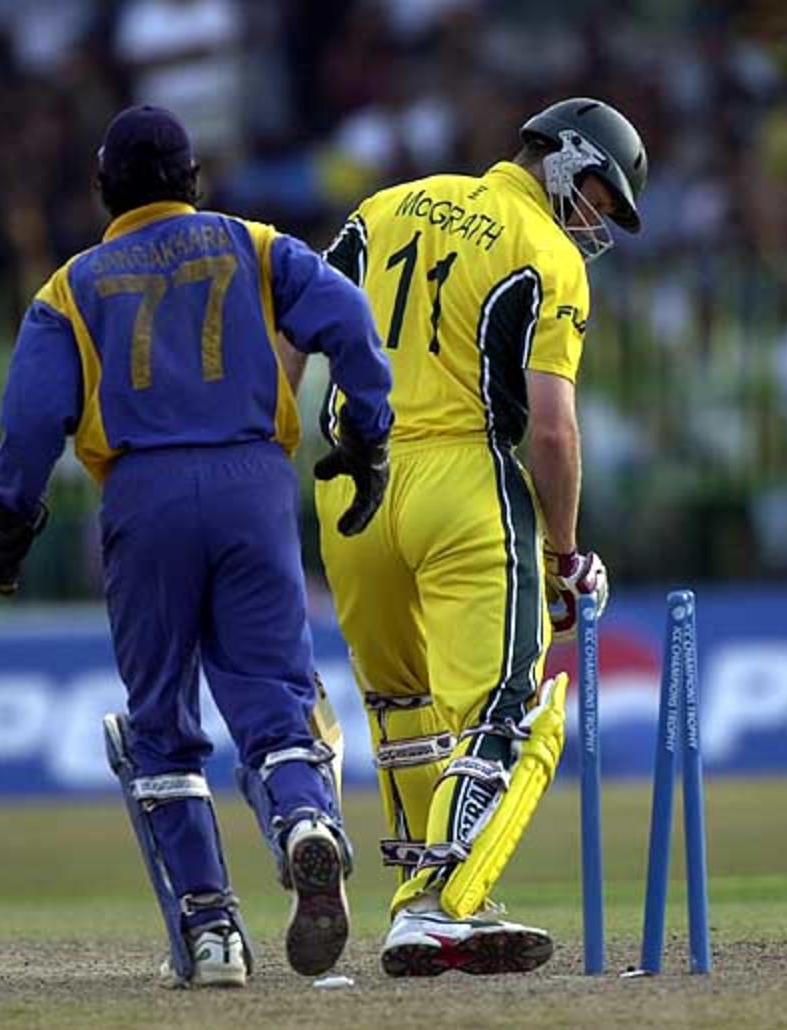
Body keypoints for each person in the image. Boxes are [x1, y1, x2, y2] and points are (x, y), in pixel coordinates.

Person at [0, 105, 393, 987]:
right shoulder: (259, 247)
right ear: (194, 182)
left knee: (161, 726)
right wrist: (367, 431)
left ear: (104, 190)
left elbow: (32, 423)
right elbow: (348, 317)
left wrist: (4, 529)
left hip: (142, 501)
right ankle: (305, 820)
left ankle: (212, 932)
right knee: (272, 695)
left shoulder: (70, 288)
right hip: (253, 484)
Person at [312, 97, 646, 975]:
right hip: (464, 480)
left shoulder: (383, 206)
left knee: (402, 714)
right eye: (600, 198)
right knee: (516, 710)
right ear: (566, 159)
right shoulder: (544, 252)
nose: (597, 222)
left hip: (352, 485)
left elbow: (293, 328)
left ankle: (426, 898)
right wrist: (565, 554)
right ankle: (440, 905)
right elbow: (551, 431)